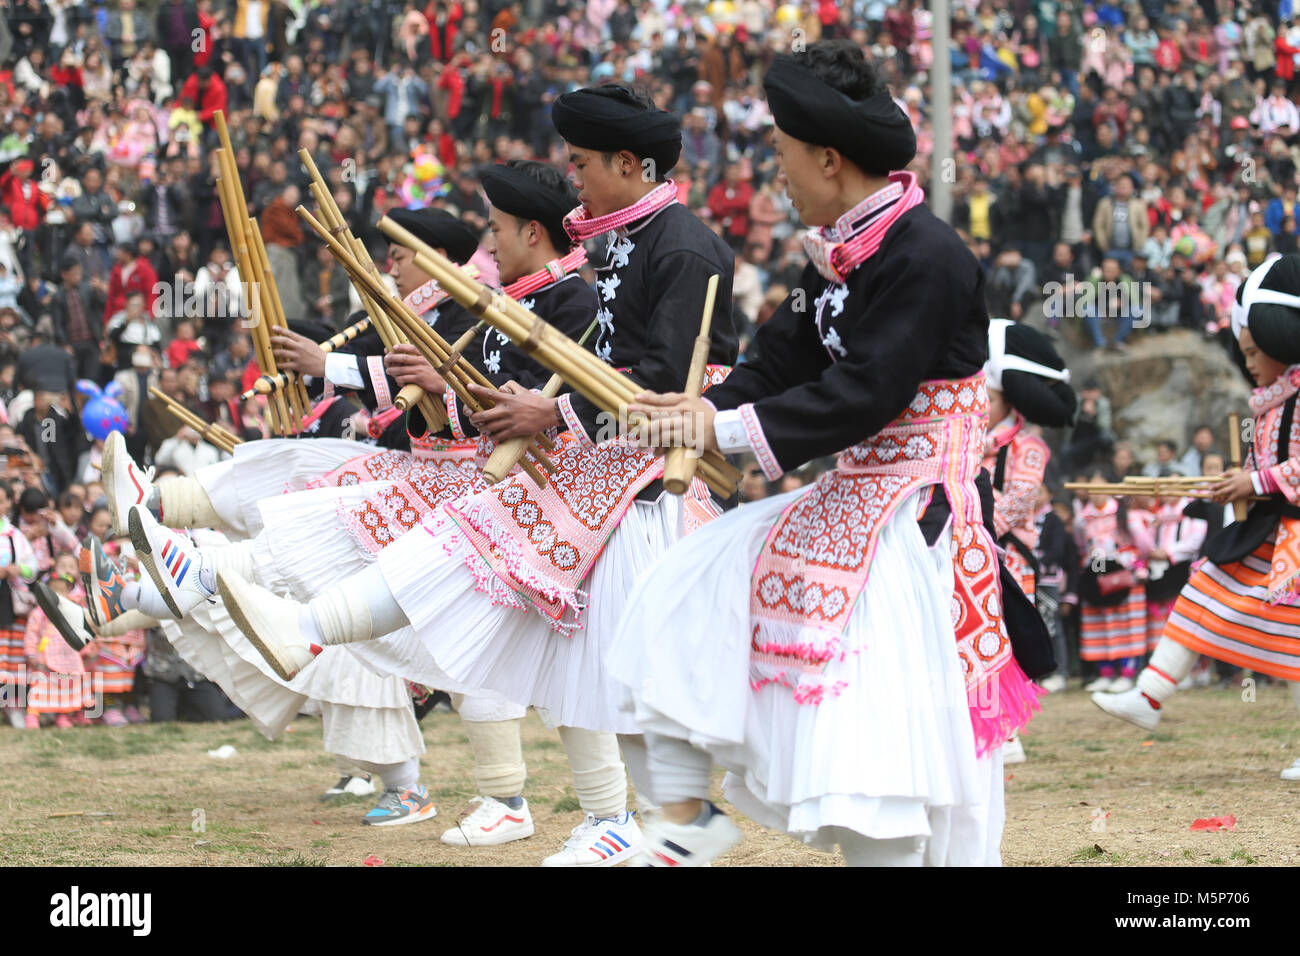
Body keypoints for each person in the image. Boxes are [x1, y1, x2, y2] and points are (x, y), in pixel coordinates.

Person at [218, 82, 739, 867]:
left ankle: (658, 821)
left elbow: (662, 382)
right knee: (519, 595)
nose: (574, 188)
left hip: (641, 482)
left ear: (630, 165)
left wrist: (547, 414)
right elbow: (605, 369)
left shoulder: (683, 246)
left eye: (582, 164)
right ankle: (306, 630)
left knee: (608, 658)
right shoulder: (628, 242)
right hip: (596, 468)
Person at [604, 41, 1036, 867]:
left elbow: (866, 392)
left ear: (829, 160)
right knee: (678, 595)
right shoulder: (839, 252)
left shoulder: (928, 256)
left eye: (782, 154)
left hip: (917, 530)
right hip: (852, 507)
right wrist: (693, 407)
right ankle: (686, 826)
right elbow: (778, 362)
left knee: (887, 758)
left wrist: (715, 431)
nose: (777, 172)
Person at [1094, 254, 1300, 782]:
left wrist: (1252, 482)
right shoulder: (1273, 401)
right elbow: (1264, 472)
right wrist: (1234, 484)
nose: (1247, 361)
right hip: (1270, 530)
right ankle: (1152, 692)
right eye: (1244, 351)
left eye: (1254, 351)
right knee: (1203, 583)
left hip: (1293, 535)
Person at [981, 319, 1077, 762]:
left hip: (1008, 557)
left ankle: (1008, 732)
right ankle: (984, 729)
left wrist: (973, 521)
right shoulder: (966, 442)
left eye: (990, 394)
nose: (979, 402)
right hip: (968, 550)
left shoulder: (1029, 447)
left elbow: (1019, 501)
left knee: (1004, 640)